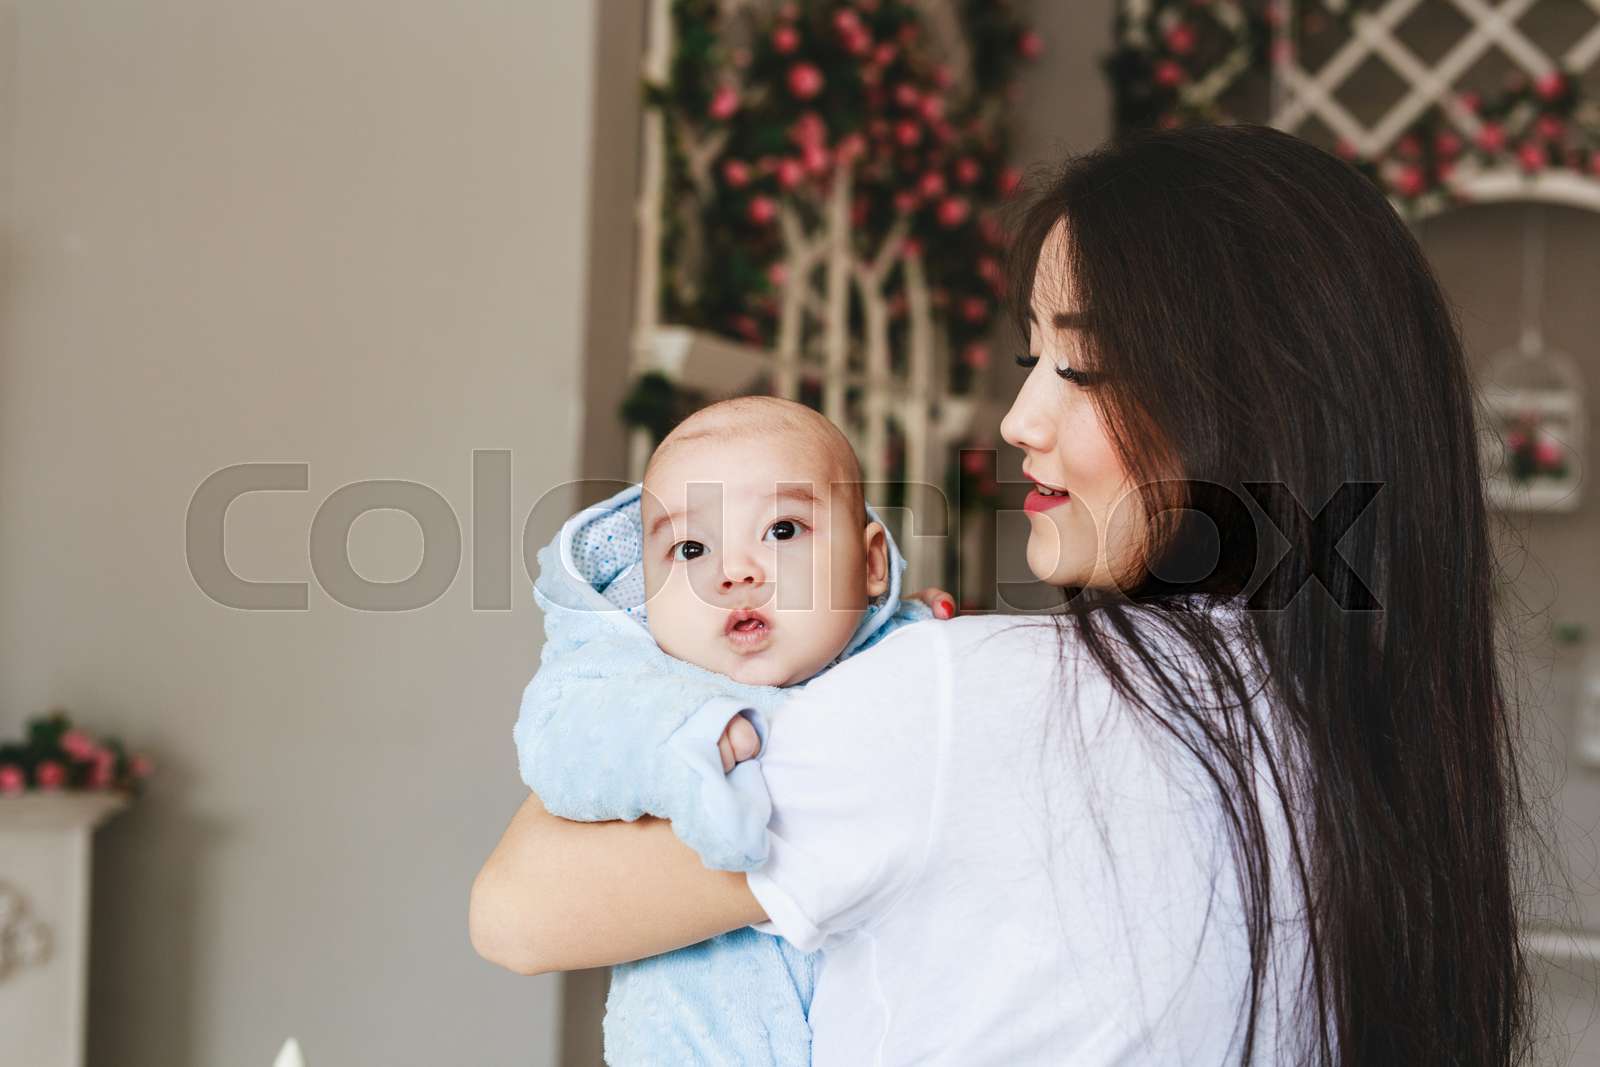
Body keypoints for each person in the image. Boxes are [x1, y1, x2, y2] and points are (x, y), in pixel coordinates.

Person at [472, 123, 1536, 1065]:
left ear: (1251, 402)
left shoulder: (971, 700)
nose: (1021, 417)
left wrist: (625, 645)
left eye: (1084, 367)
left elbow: (518, 911)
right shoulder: (1360, 738)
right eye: (1034, 356)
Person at [511, 395, 938, 1065]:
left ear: (871, 562)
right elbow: (561, 736)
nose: (734, 571)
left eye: (782, 529)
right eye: (690, 547)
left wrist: (934, 643)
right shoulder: (635, 682)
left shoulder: (918, 670)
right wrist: (680, 739)